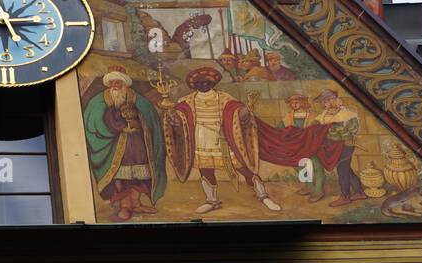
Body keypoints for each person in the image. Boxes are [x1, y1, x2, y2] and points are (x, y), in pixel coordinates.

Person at [170, 68, 281, 212]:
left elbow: (238, 114)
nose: (203, 85)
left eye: (206, 82)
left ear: (212, 83)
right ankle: (212, 201)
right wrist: (172, 116)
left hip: (223, 139)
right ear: (194, 85)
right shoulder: (187, 101)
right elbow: (178, 120)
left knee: (243, 167)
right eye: (199, 83)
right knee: (206, 170)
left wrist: (248, 107)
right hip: (200, 139)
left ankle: (263, 196)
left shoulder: (224, 98)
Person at [83, 67, 166, 220]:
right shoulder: (99, 101)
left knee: (140, 176)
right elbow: (93, 122)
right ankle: (125, 206)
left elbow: (150, 118)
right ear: (108, 84)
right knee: (121, 178)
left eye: (119, 82)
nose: (116, 85)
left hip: (138, 145)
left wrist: (140, 124)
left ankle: (136, 203)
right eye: (113, 82)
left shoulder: (137, 98)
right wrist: (118, 129)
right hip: (114, 148)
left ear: (125, 83)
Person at [312, 90, 367, 207]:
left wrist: (334, 128)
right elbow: (316, 124)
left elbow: (353, 129)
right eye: (323, 102)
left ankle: (345, 196)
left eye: (326, 101)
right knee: (346, 168)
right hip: (332, 146)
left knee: (342, 169)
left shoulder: (347, 114)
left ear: (333, 100)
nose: (323, 104)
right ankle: (359, 192)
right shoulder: (325, 114)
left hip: (346, 145)